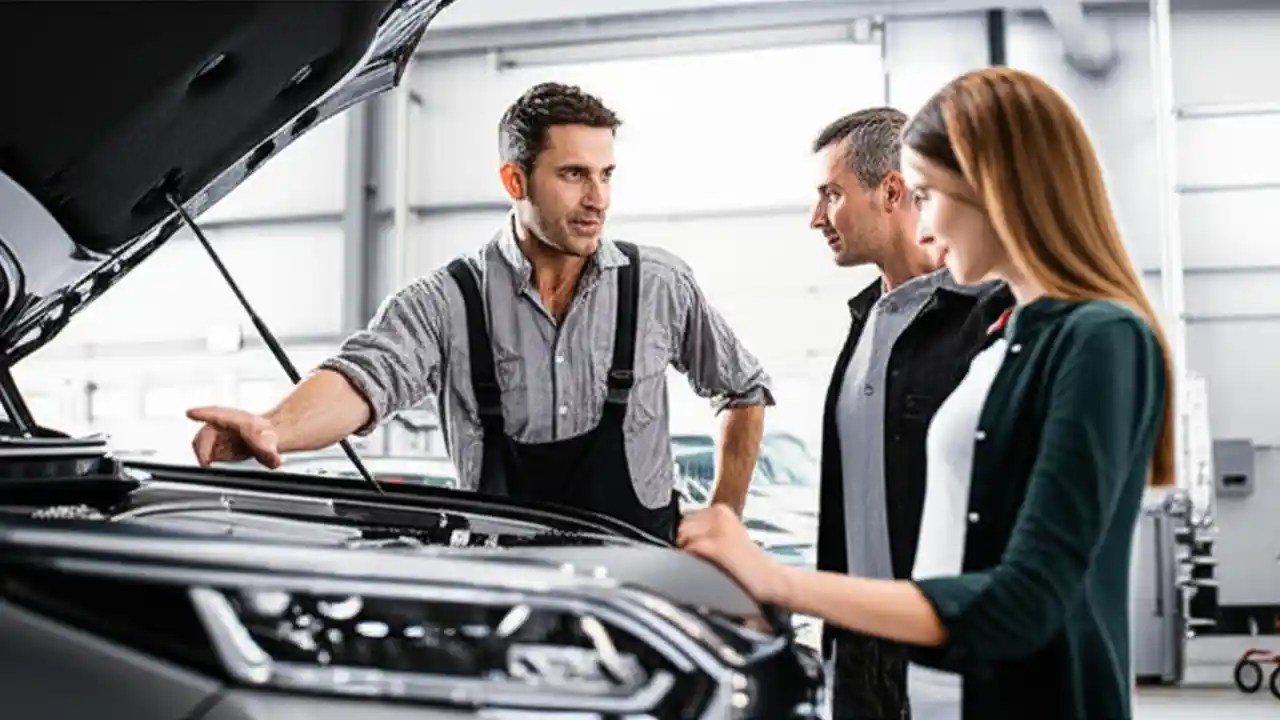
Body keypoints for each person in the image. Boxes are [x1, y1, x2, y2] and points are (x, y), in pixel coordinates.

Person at [678, 66, 1174, 720]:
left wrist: (781, 581)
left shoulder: (1102, 338)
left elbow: (1026, 602)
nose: (923, 222)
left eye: (926, 194)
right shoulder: (1010, 338)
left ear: (990, 187)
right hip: (935, 682)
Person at [186, 82, 774, 541]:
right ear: (515, 180)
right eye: (573, 175)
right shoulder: (446, 302)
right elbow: (362, 381)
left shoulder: (658, 285)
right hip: (501, 594)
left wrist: (724, 514)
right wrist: (276, 428)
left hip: (642, 589)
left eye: (606, 174)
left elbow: (744, 389)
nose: (598, 198)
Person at [808, 107, 1011, 718]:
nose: (817, 218)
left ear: (891, 190)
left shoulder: (991, 317)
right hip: (857, 646)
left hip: (948, 646)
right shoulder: (865, 320)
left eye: (831, 195)